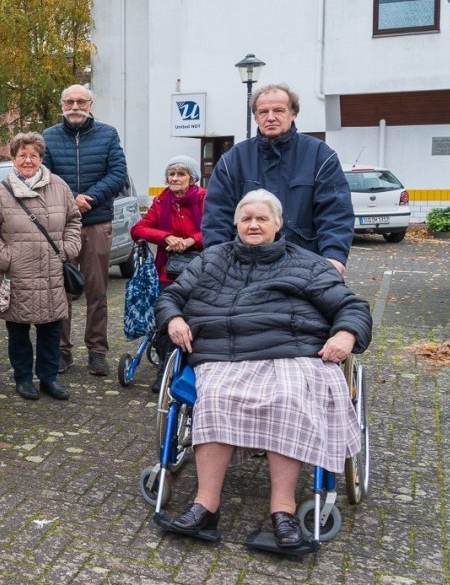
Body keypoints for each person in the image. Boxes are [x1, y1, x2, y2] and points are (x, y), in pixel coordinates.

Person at [155, 189, 371, 548]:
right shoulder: (212, 260)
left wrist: (347, 335)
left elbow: (351, 306)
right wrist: (174, 319)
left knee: (287, 398)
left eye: (262, 219)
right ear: (236, 223)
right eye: (246, 219)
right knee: (215, 397)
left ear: (278, 223)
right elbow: (171, 297)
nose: (253, 225)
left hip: (293, 352)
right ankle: (205, 506)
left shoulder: (307, 264)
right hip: (224, 353)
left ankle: (282, 512)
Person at [202, 84, 353, 274]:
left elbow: (335, 212)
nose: (270, 117)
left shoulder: (319, 156)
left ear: (293, 114)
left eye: (279, 110)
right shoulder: (233, 160)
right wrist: (217, 261)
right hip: (244, 270)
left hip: (305, 267)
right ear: (256, 117)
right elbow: (217, 216)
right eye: (263, 112)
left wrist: (334, 257)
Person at [0, 132, 82, 401]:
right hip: (16, 275)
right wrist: (6, 259)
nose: (28, 160)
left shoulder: (59, 186)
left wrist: (68, 250)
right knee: (18, 330)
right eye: (22, 155)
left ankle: (49, 378)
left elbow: (74, 221)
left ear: (41, 158)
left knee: (51, 330)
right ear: (13, 158)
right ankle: (23, 378)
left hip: (52, 271)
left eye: (33, 155)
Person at [42, 84, 127, 377]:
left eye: (80, 101)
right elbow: (45, 175)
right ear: (62, 105)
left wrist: (87, 198)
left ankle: (97, 351)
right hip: (60, 225)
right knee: (60, 290)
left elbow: (118, 174)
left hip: (96, 221)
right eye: (69, 101)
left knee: (97, 290)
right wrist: (71, 200)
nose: (74, 106)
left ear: (90, 104)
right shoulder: (48, 137)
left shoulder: (108, 134)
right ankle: (61, 350)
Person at [131, 156, 207, 392]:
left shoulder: (205, 198)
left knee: (197, 316)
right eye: (171, 174)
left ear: (192, 178)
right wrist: (165, 237)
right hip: (168, 270)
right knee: (166, 317)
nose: (174, 178)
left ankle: (194, 365)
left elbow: (218, 229)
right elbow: (138, 229)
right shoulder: (162, 200)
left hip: (202, 267)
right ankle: (165, 367)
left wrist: (191, 240)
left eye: (180, 174)